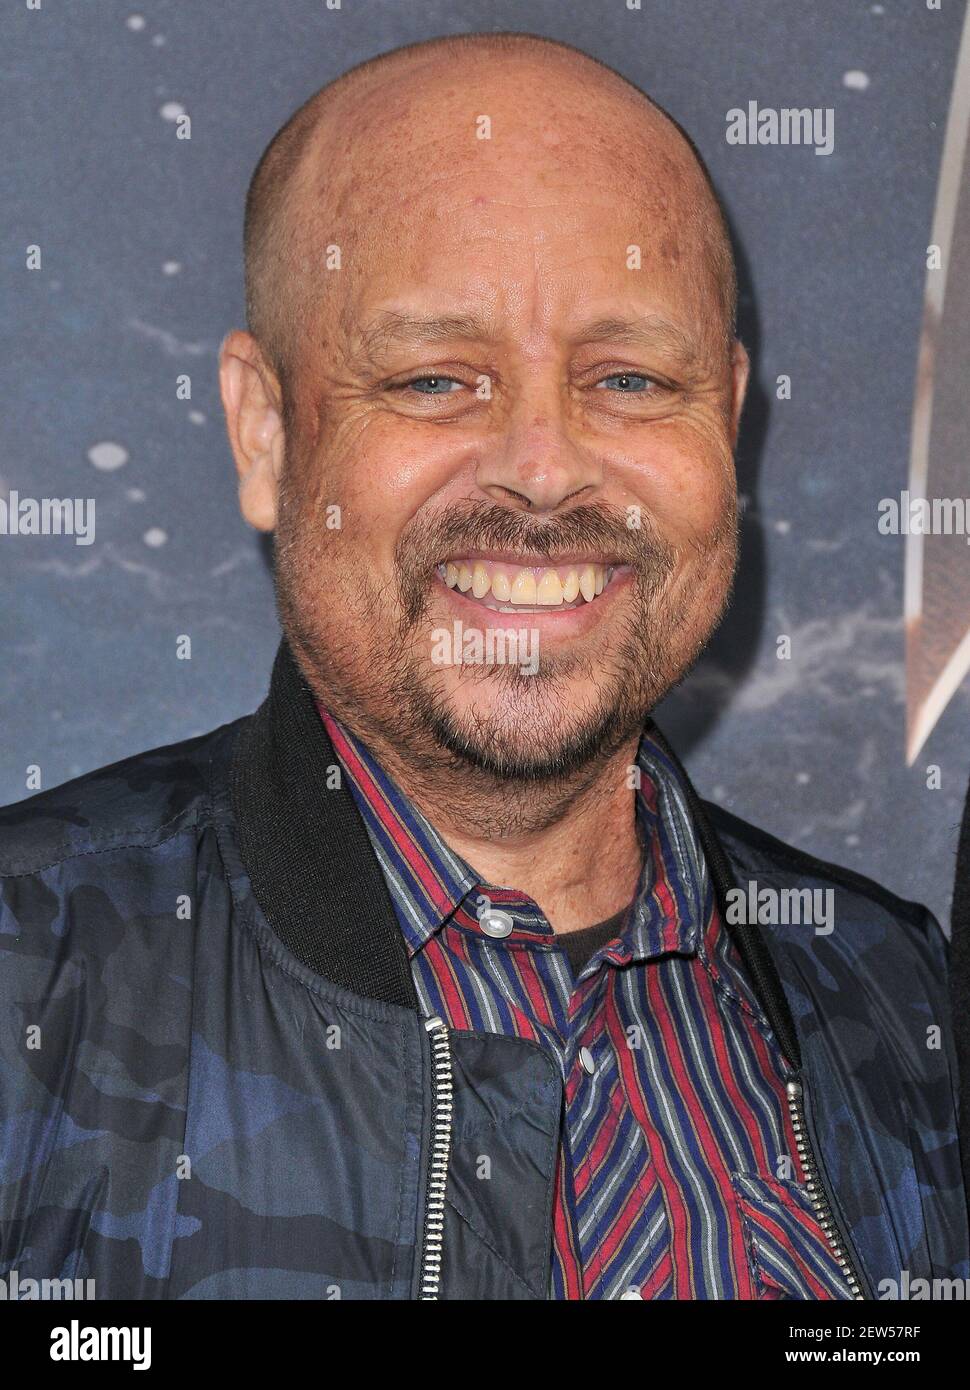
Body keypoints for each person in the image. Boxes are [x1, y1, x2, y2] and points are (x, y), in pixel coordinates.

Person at [1, 31, 965, 1301]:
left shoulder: (900, 999)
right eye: (436, 378)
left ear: (725, 423)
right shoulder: (31, 978)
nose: (544, 466)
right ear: (267, 431)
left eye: (628, 377)